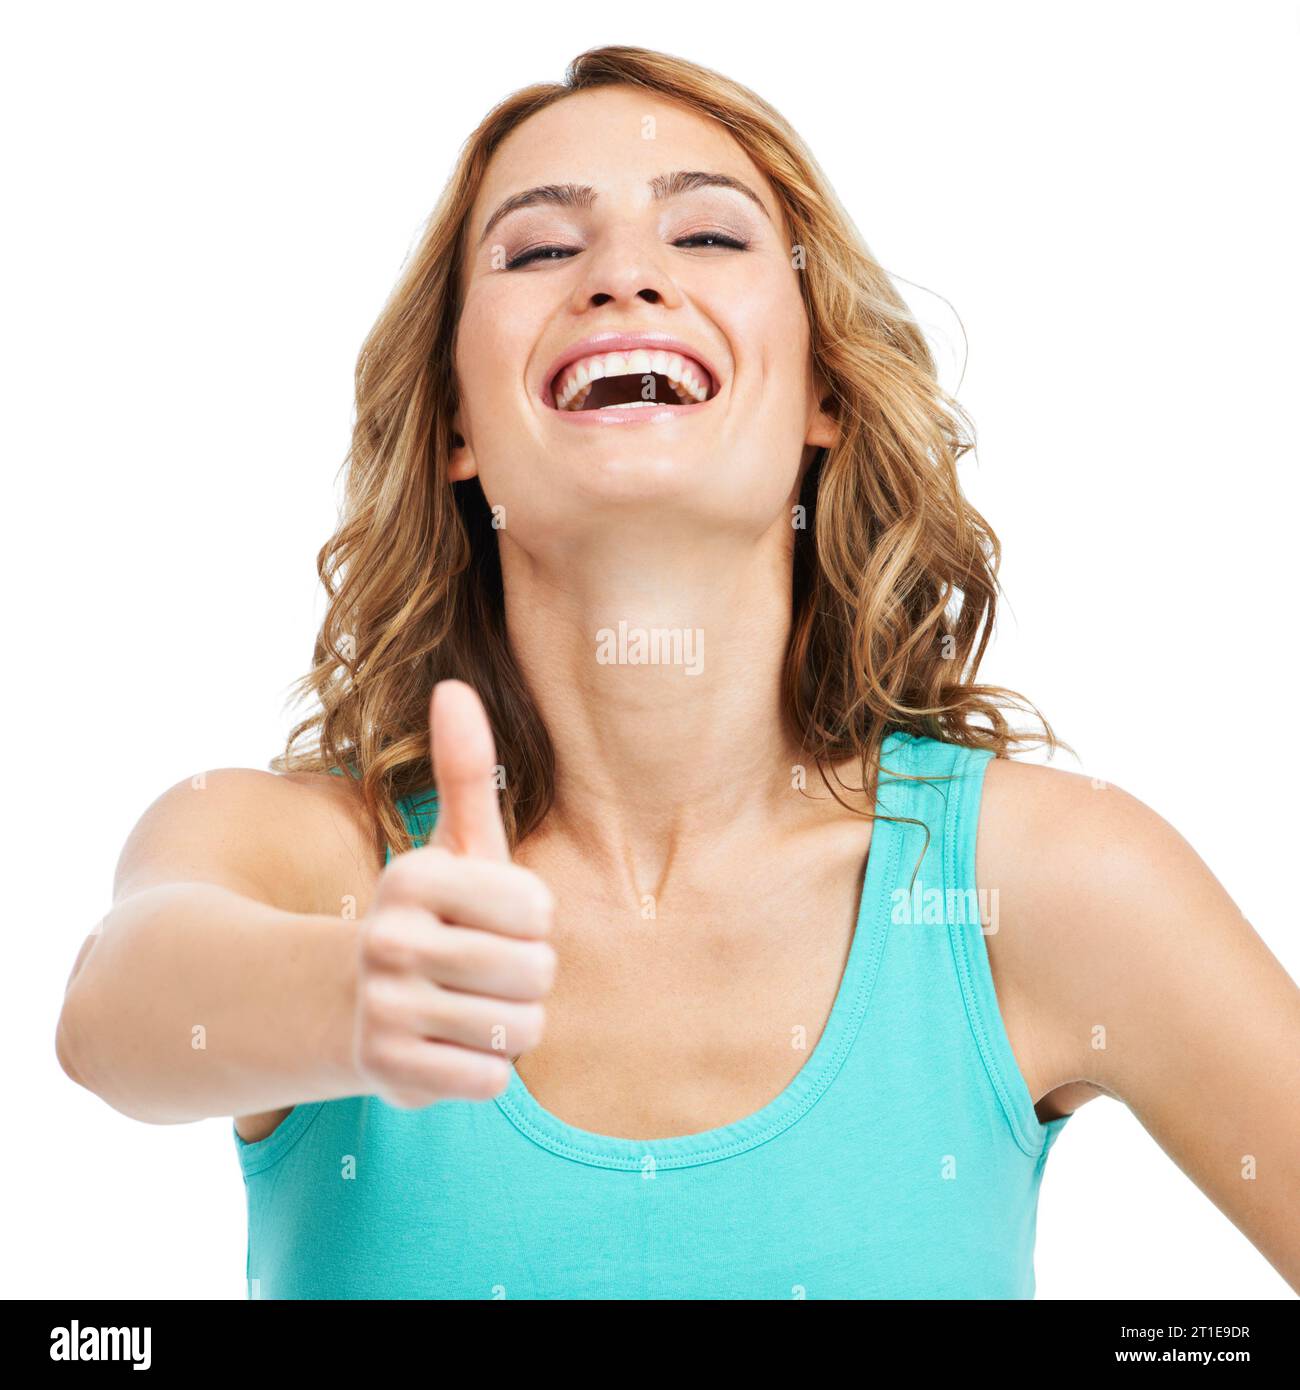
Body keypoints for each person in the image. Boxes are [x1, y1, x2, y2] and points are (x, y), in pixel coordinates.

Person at [55, 45, 1300, 1299]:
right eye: (539, 251)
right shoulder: (317, 858)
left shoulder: (1038, 883)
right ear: (454, 427)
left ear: (822, 387)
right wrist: (357, 991)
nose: (624, 274)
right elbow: (114, 1016)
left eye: (706, 235)